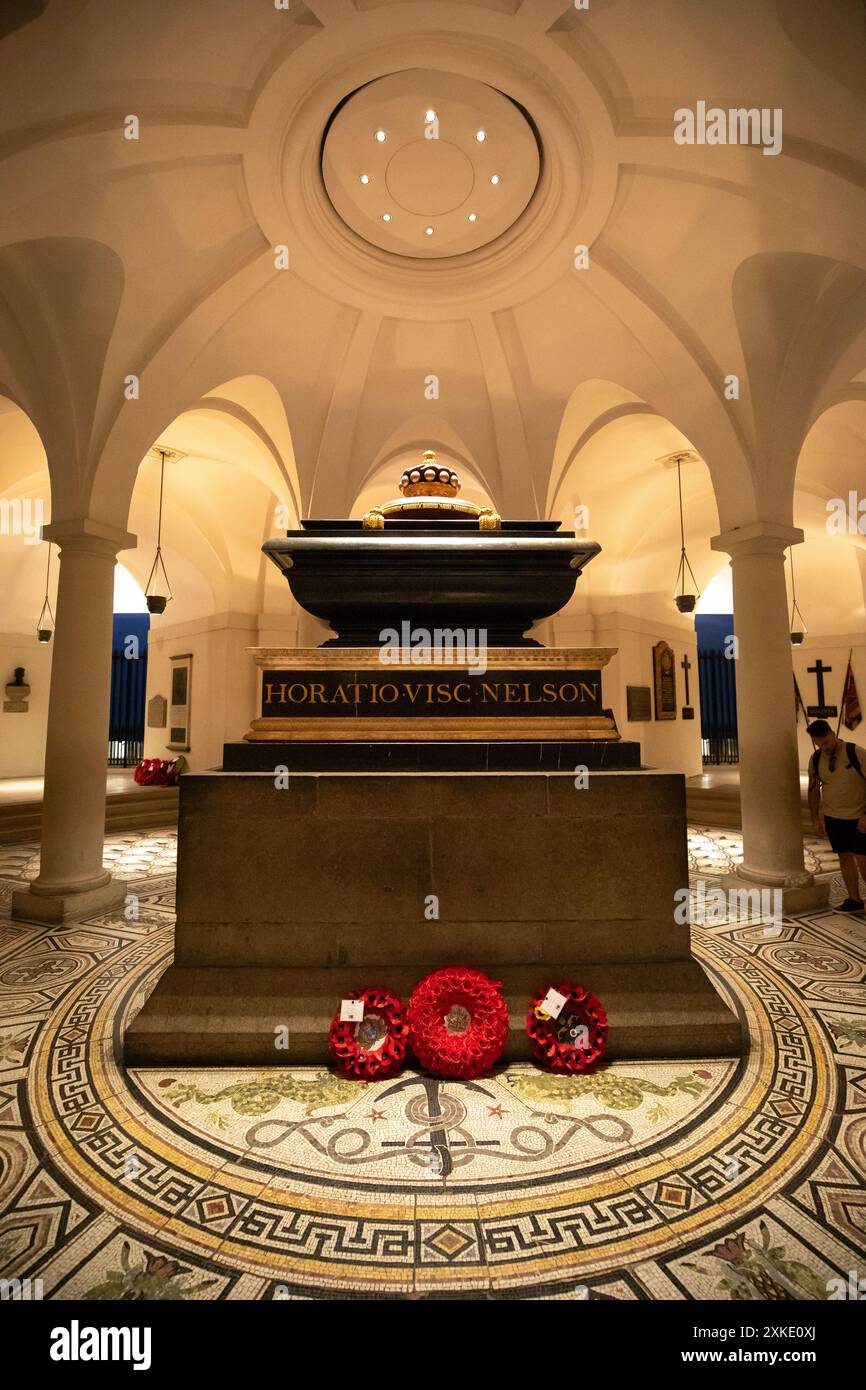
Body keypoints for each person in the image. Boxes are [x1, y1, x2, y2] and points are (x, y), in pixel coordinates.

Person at [806, 719, 866, 912]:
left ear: (832, 734)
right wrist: (816, 818)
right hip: (834, 817)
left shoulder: (855, 752)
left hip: (858, 816)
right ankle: (854, 899)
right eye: (819, 744)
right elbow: (813, 790)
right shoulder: (816, 759)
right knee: (844, 857)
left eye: (826, 742)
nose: (824, 747)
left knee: (863, 859)